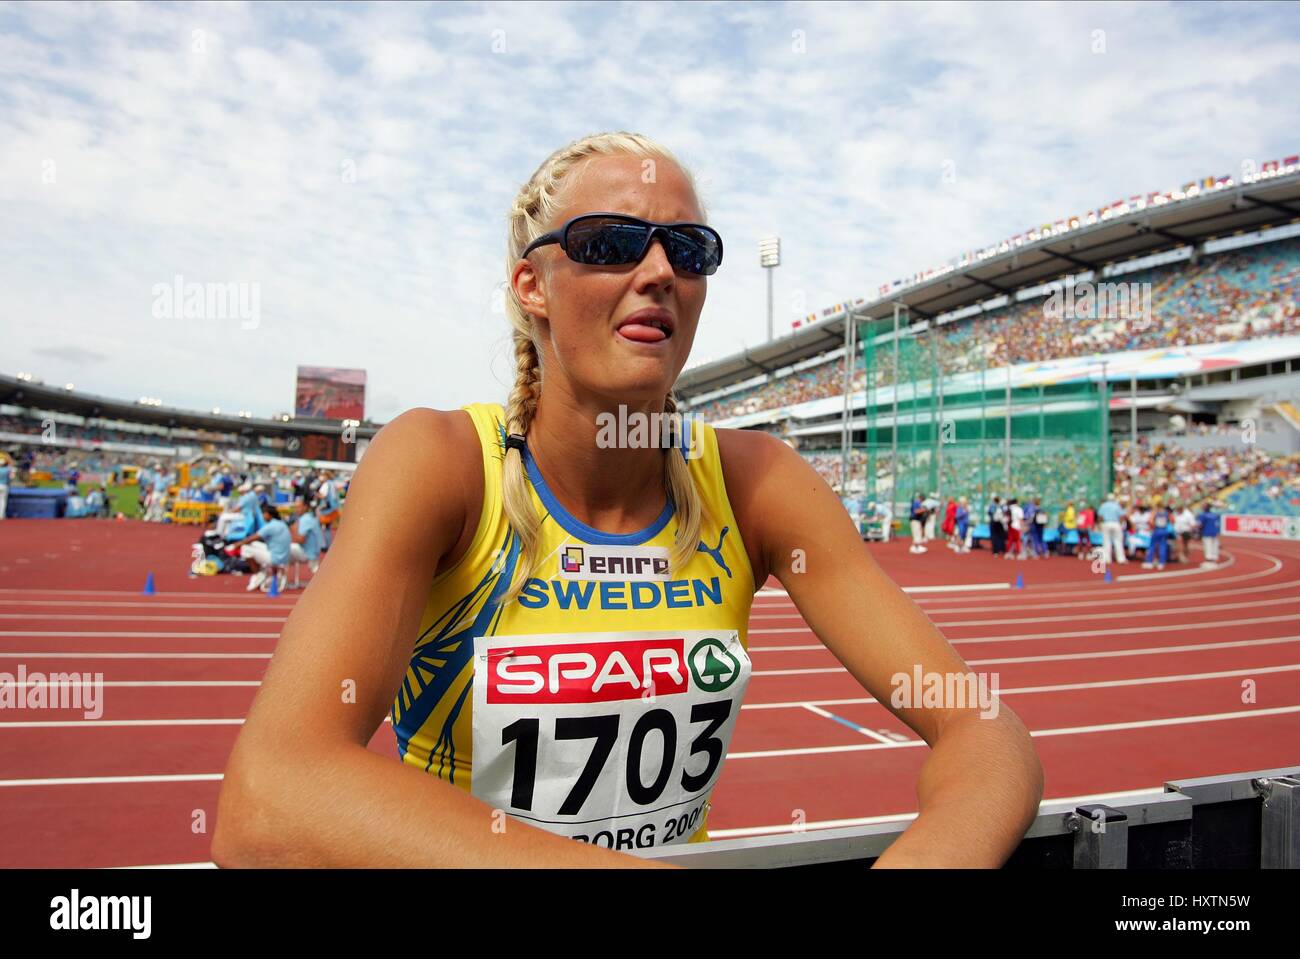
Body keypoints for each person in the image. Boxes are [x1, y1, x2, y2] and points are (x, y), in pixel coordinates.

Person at [213, 132, 1041, 869]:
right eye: (610, 243)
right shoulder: (440, 464)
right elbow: (270, 797)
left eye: (687, 249)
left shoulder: (757, 483)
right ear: (531, 285)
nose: (657, 274)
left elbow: (983, 729)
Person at [229, 502, 293, 593]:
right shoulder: (281, 523)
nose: (262, 516)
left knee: (245, 549)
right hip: (283, 556)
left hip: (275, 557)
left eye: (264, 514)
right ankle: (261, 571)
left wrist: (237, 545)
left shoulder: (271, 526)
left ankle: (257, 574)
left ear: (269, 515)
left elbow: (253, 537)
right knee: (253, 545)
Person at [289, 497, 324, 574]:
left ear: (305, 507)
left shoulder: (305, 519)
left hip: (308, 553)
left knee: (282, 549)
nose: (296, 509)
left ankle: (277, 576)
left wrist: (293, 529)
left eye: (298, 507)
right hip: (314, 552)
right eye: (295, 507)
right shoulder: (309, 517)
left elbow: (300, 540)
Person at [1097, 492, 1126, 567]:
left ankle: (1107, 558)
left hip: (1106, 523)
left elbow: (1100, 516)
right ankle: (1120, 559)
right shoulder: (1117, 506)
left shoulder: (1104, 505)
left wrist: (1100, 524)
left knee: (1106, 541)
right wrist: (1121, 523)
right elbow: (1122, 516)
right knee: (1118, 541)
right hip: (1116, 523)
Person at [1145, 501, 1172, 570]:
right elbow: (1172, 520)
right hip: (1164, 530)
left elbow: (1150, 521)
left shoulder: (1155, 512)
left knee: (1152, 546)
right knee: (1163, 546)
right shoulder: (1166, 513)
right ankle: (1161, 563)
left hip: (1157, 530)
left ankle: (1149, 562)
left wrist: (1152, 527)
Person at [0, 454, 10, 520]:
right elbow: (11, 477)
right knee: (3, 501)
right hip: (4, 485)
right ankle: (1, 515)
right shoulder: (7, 469)